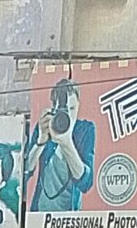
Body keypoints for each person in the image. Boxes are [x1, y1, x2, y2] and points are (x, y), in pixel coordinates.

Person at [27, 78, 95, 213]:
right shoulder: (46, 126)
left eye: (72, 108)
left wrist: (67, 142)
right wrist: (41, 141)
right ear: (54, 107)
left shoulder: (85, 130)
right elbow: (25, 171)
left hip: (68, 219)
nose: (68, 115)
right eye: (63, 109)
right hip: (39, 215)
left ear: (78, 106)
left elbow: (85, 183)